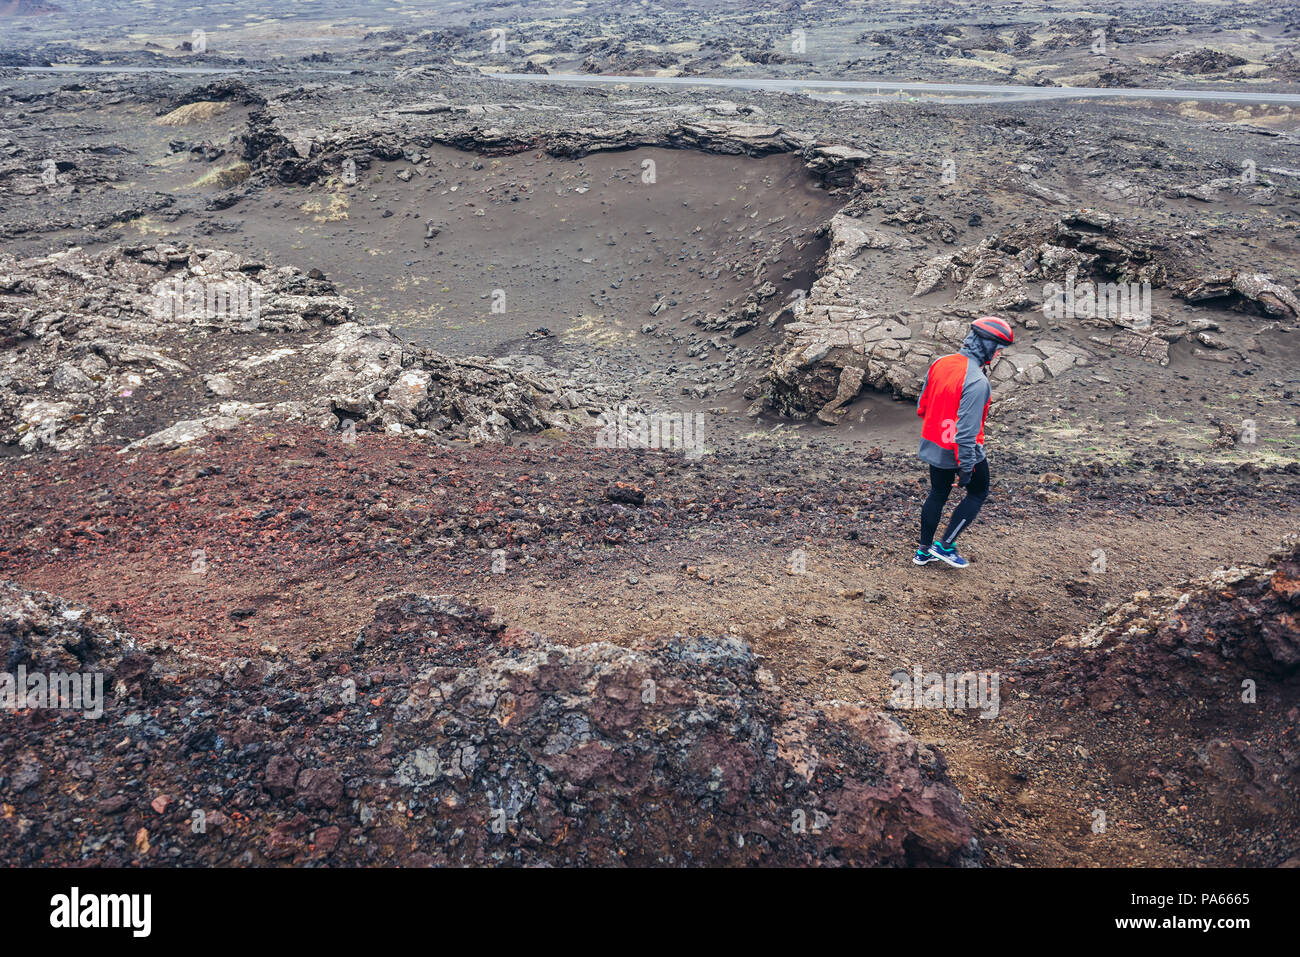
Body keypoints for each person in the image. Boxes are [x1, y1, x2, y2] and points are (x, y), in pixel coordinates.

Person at [912, 316, 1014, 568]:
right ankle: (945, 546)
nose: (1000, 353)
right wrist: (966, 468)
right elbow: (966, 435)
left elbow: (922, 406)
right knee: (978, 492)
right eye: (998, 346)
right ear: (986, 345)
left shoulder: (940, 362)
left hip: (934, 445)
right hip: (962, 451)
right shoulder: (977, 382)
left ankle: (923, 551)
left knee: (937, 493)